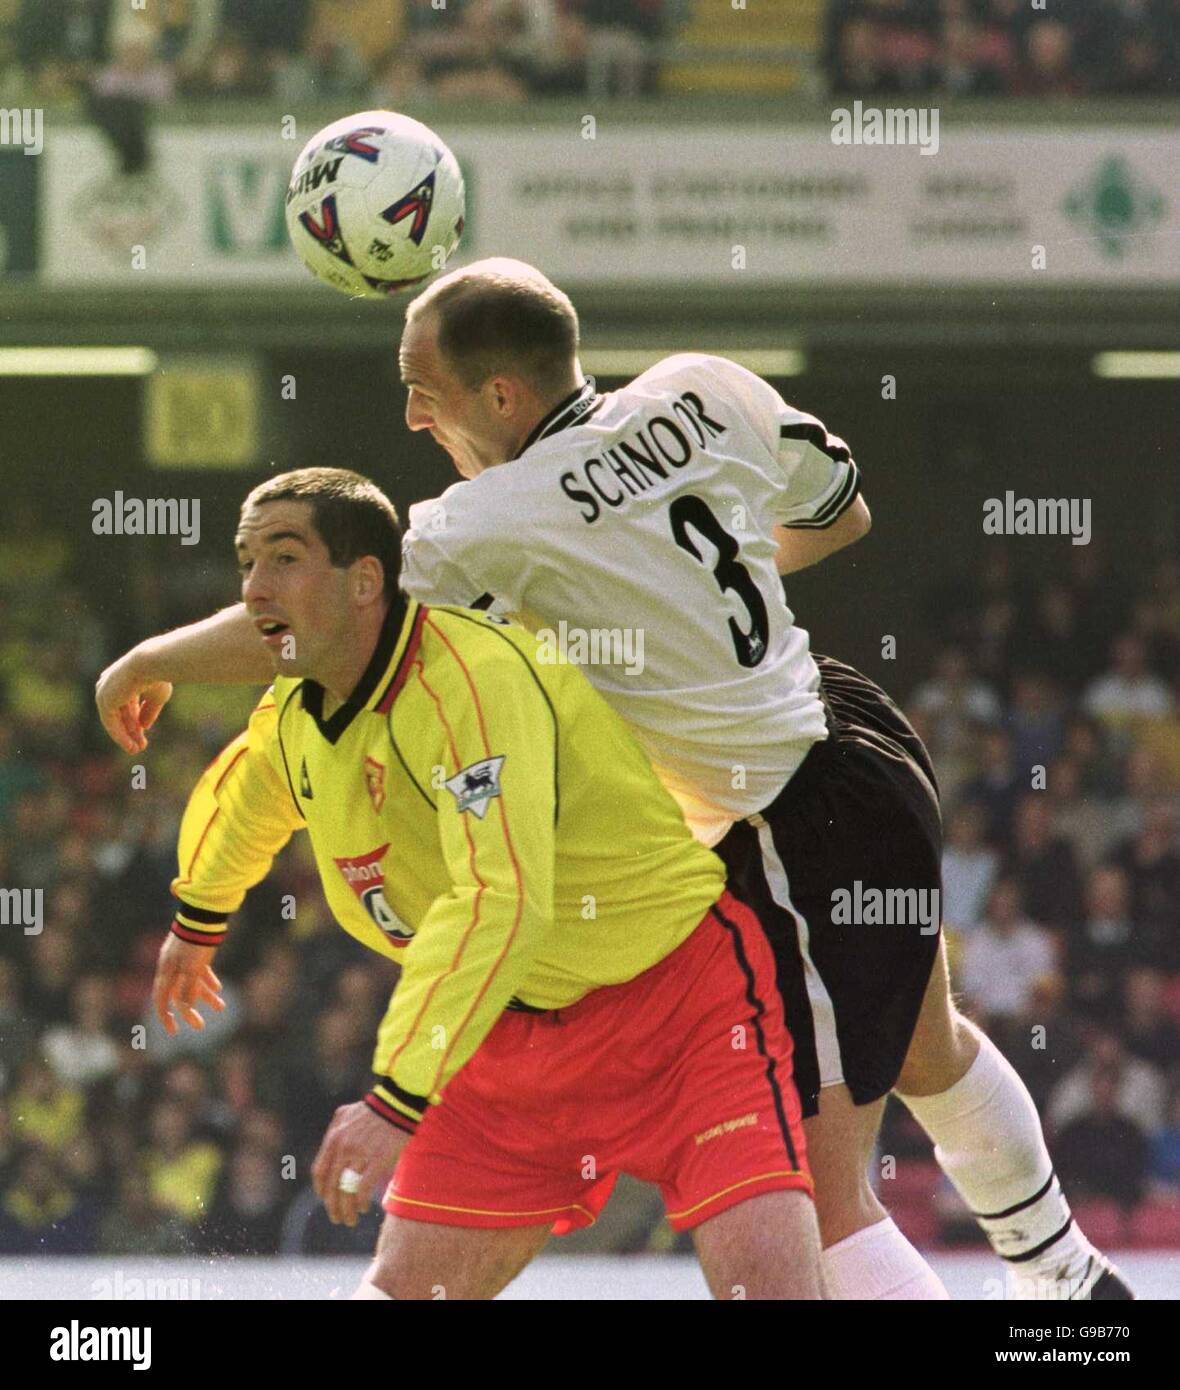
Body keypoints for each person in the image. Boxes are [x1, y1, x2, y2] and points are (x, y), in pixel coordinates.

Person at [96, 258, 1131, 1300]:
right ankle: (1071, 1279)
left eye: (424, 388)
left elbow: (320, 615)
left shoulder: (486, 519)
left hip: (774, 828)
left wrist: (150, 660)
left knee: (820, 1191)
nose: (412, 416)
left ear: (499, 396)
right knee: (926, 1046)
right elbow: (844, 511)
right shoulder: (700, 384)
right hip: (855, 734)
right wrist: (674, 592)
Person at [150, 467, 821, 1300]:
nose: (255, 586)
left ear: (366, 582)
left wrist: (394, 1101)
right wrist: (197, 922)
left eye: (284, 559)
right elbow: (245, 797)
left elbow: (500, 901)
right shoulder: (294, 714)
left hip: (677, 1009)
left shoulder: (472, 676)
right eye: (246, 561)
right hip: (497, 1046)